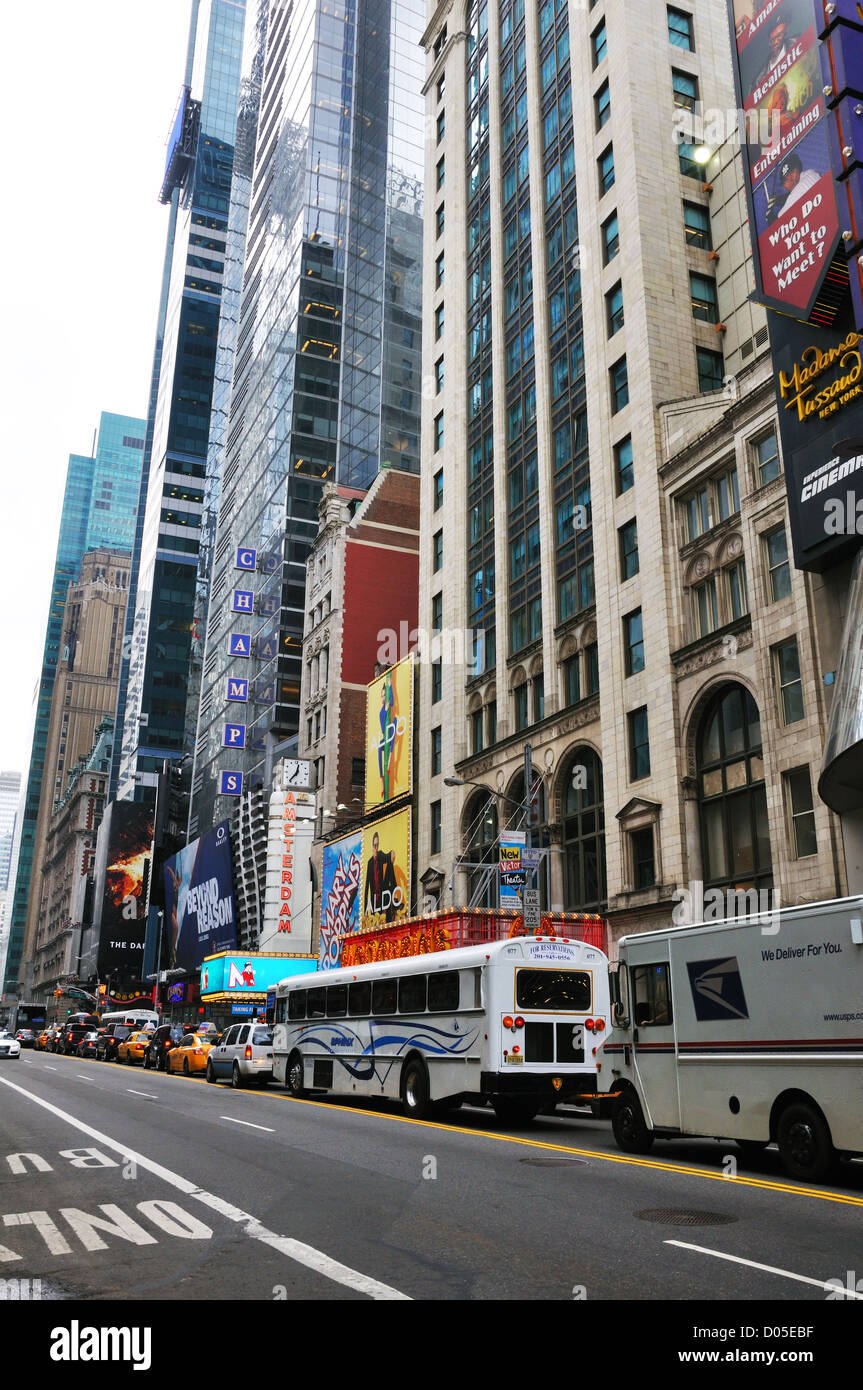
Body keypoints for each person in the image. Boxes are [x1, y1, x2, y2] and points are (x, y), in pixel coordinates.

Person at [764, 152, 820, 225]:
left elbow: (777, 222)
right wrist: (779, 200)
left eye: (791, 173)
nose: (789, 179)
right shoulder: (810, 173)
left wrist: (770, 217)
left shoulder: (797, 192)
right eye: (785, 180)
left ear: (796, 171)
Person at [363, 831, 398, 921]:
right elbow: (367, 887)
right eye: (374, 845)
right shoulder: (370, 862)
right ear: (372, 846)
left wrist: (392, 852)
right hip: (375, 900)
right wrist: (365, 911)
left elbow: (388, 855)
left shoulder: (381, 855)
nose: (376, 847)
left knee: (390, 864)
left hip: (383, 893)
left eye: (377, 845)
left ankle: (393, 897)